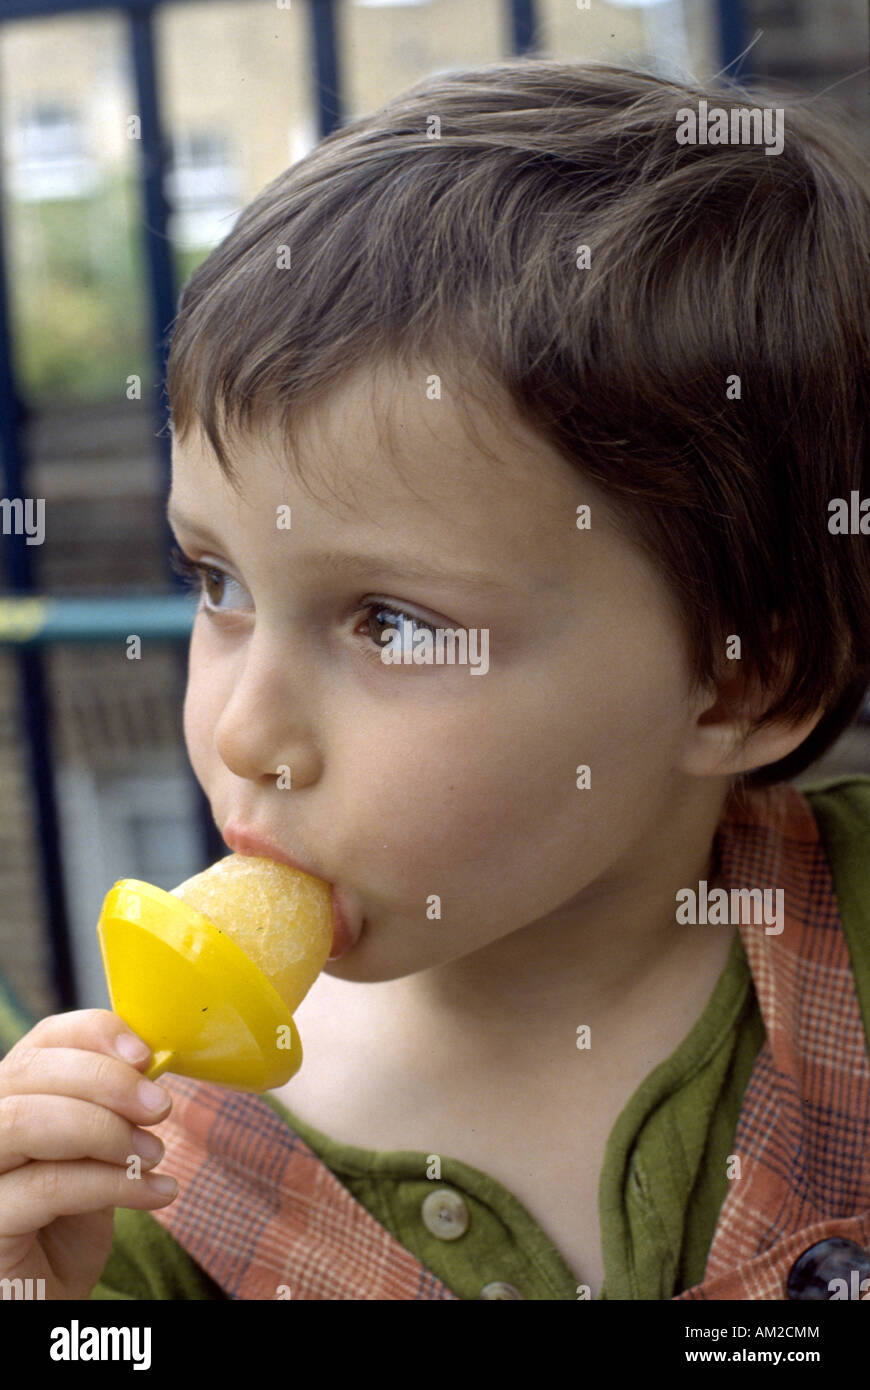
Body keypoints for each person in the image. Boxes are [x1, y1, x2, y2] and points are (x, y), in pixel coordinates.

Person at [2, 58, 870, 1302]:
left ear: (738, 681)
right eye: (218, 584)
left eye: (395, 626)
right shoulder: (148, 1172)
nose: (249, 734)